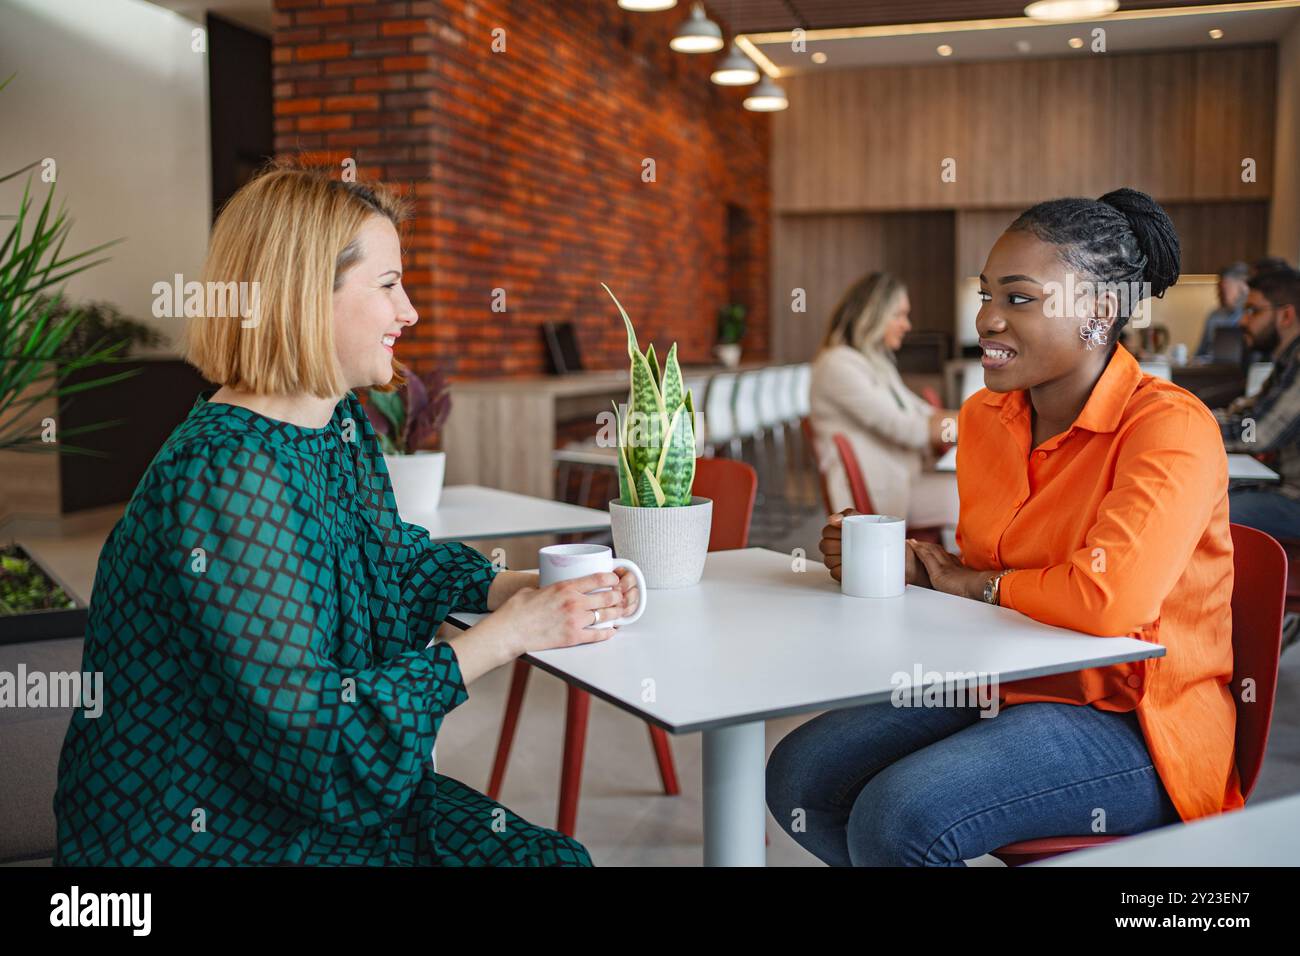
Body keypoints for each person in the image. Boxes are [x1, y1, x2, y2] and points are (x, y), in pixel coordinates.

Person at [53, 166, 639, 866]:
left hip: (297, 802)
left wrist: (523, 589)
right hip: (206, 828)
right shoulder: (224, 474)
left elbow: (391, 557)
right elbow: (322, 748)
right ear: (304, 296)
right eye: (388, 285)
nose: (410, 311)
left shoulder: (338, 422)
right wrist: (505, 638)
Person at [767, 188, 1243, 866]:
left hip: (1135, 720)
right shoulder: (989, 421)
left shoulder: (1170, 426)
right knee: (801, 775)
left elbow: (1108, 602)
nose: (987, 318)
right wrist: (916, 567)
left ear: (1098, 313)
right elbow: (987, 565)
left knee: (898, 817)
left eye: (1019, 299)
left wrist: (973, 585)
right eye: (986, 295)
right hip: (1006, 680)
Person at [808, 272, 960, 529]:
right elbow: (908, 429)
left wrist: (976, 418)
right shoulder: (837, 365)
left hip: (903, 481)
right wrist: (981, 423)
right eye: (898, 315)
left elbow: (923, 412)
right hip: (881, 495)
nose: (907, 325)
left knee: (980, 491)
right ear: (872, 315)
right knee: (977, 496)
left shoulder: (875, 362)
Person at [1216, 265, 1300, 540]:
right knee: (1206, 491)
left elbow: (1258, 433)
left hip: (1293, 499)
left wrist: (1191, 427)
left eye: (1254, 311)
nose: (1242, 320)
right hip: (1281, 487)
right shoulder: (1286, 362)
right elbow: (1248, 410)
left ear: (1286, 315)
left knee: (1205, 508)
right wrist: (1187, 415)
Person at [1194, 262, 1250, 360]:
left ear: (1242, 288)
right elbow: (1200, 352)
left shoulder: (1251, 315)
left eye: (1223, 290)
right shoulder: (1214, 316)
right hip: (1214, 370)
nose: (1219, 295)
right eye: (1218, 290)